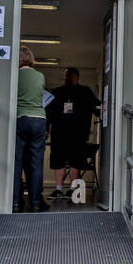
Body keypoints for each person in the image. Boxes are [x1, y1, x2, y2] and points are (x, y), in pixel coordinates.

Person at [47, 67, 99, 200]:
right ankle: (58, 190)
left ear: (77, 77)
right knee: (58, 161)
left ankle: (72, 190)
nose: (68, 78)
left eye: (70, 75)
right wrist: (46, 128)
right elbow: (49, 113)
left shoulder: (85, 92)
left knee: (75, 161)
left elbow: (98, 107)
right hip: (59, 133)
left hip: (78, 134)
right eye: (66, 75)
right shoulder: (57, 92)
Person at [15, 46, 49, 212]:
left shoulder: (15, 75)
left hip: (21, 118)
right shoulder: (40, 76)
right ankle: (36, 202)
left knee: (17, 161)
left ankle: (15, 201)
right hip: (39, 119)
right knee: (36, 163)